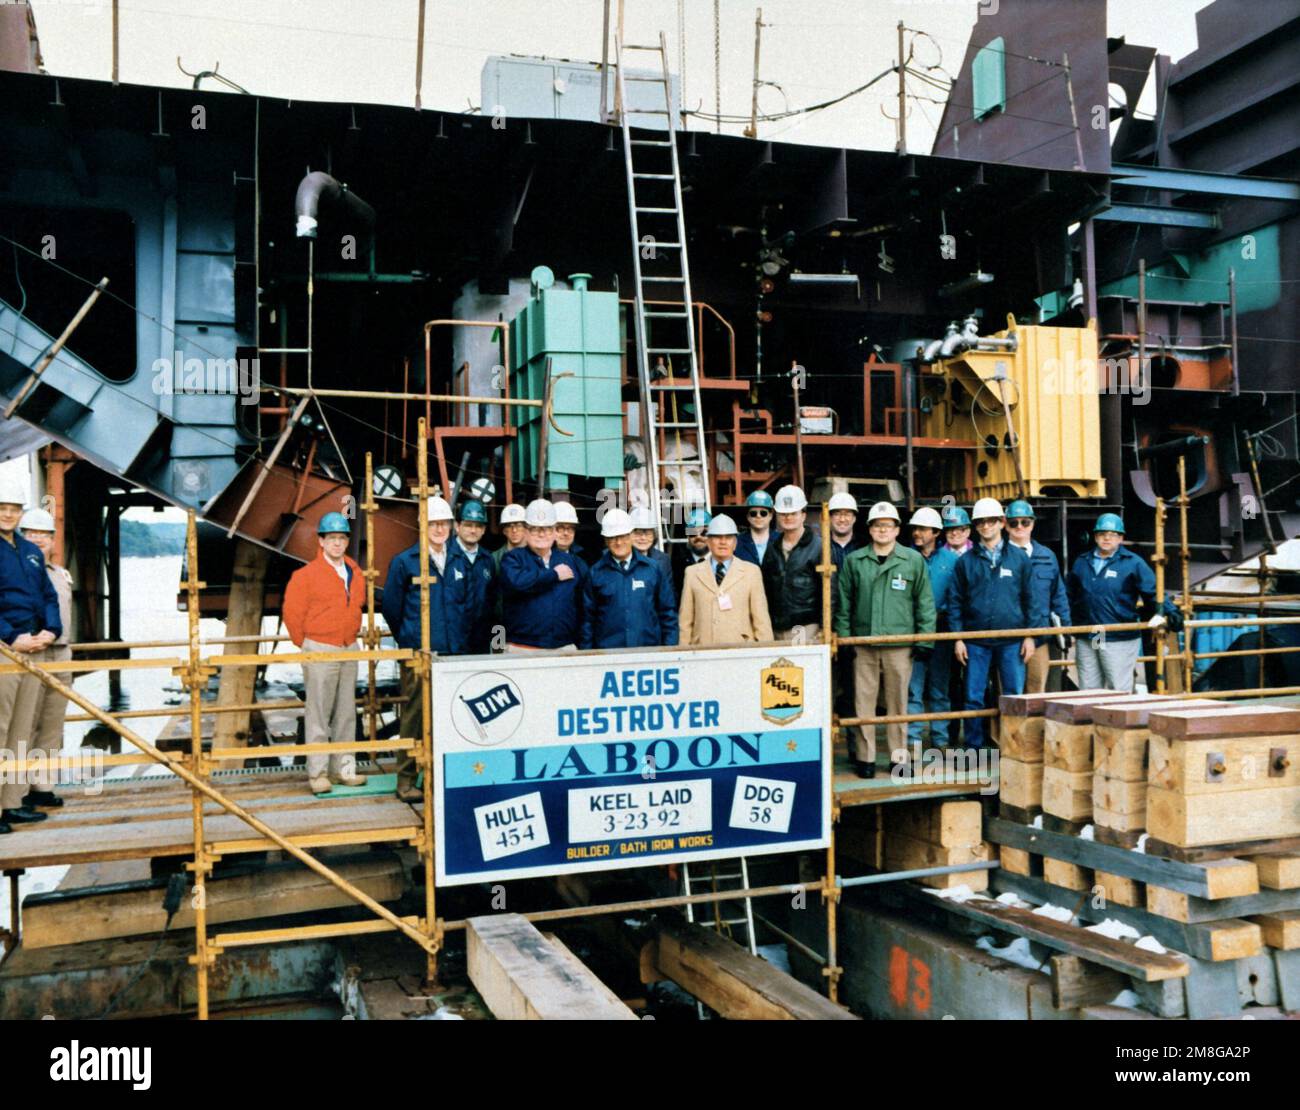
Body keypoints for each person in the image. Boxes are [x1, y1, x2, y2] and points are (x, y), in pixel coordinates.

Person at [834, 502, 935, 778]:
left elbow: (924, 603)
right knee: (863, 703)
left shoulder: (912, 561)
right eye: (877, 525)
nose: (882, 530)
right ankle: (866, 760)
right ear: (869, 529)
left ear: (897, 530)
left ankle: (898, 758)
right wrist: (845, 641)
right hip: (863, 645)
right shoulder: (855, 561)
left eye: (887, 526)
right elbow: (844, 605)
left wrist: (925, 641)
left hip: (899, 645)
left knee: (898, 704)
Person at [382, 496, 469, 801]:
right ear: (422, 525)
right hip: (420, 655)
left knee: (450, 718)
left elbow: (465, 607)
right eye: (433, 523)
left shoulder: (459, 560)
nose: (439, 529)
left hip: (452, 655)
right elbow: (391, 608)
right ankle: (406, 780)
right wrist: (410, 639)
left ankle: (443, 778)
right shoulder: (405, 562)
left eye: (443, 523)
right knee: (414, 718)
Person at [947, 498, 1044, 750]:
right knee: (973, 697)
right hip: (976, 641)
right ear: (976, 526)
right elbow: (955, 602)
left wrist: (1030, 636)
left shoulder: (1020, 560)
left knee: (1013, 695)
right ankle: (974, 748)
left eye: (991, 520)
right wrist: (958, 638)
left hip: (1012, 640)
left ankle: (1014, 748)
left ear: (1001, 522)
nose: (986, 526)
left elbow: (1031, 599)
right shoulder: (965, 562)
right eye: (981, 522)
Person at [284, 512, 368, 795]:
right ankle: (318, 773)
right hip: (320, 647)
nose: (337, 543)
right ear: (321, 542)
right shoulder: (305, 576)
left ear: (346, 541)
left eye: (341, 538)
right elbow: (292, 614)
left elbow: (357, 606)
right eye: (331, 538)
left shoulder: (355, 572)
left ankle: (343, 770)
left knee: (346, 713)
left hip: (349, 646)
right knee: (318, 713)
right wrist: (308, 644)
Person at [0, 477, 61, 832]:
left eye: (13, 509)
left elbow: (49, 597)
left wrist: (50, 631)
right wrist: (11, 637)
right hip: (6, 647)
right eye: (2, 509)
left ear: (20, 512)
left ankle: (11, 803)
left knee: (21, 730)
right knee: (0, 727)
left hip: (33, 647)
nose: (7, 514)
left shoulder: (30, 552)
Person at [1067, 513, 1177, 693]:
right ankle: (1093, 720)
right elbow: (1069, 594)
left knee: (1117, 687)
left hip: (1119, 636)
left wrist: (1170, 611)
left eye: (1112, 534)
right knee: (1089, 687)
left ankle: (1115, 720)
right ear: (1095, 537)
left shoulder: (1133, 563)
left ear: (1121, 538)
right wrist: (1066, 625)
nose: (1107, 538)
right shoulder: (1082, 562)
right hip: (1095, 633)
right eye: (1102, 534)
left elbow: (1153, 591)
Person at [17, 508, 73, 810]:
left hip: (61, 653)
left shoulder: (60, 575)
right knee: (23, 725)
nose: (39, 539)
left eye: (45, 535)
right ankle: (17, 792)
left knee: (52, 725)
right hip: (30, 653)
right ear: (20, 537)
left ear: (53, 540)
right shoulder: (15, 571)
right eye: (31, 534)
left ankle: (42, 786)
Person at [580, 509, 678, 649]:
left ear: (631, 536)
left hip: (648, 651)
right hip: (608, 654)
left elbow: (668, 613)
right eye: (613, 537)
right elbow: (587, 620)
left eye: (623, 536)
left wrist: (669, 650)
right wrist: (587, 657)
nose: (619, 542)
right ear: (606, 540)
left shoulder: (653, 569)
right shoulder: (595, 573)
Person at [499, 499, 585, 650]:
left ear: (554, 532)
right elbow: (518, 583)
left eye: (547, 529)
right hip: (522, 647)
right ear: (526, 532)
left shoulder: (569, 561)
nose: (541, 534)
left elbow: (582, 603)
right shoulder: (513, 558)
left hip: (563, 646)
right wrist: (553, 575)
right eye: (534, 529)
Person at [906, 506, 959, 749]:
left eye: (923, 529)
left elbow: (958, 597)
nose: (917, 533)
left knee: (940, 687)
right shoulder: (905, 558)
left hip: (942, 629)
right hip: (912, 630)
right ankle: (913, 739)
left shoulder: (952, 561)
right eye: (915, 528)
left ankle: (941, 740)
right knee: (913, 688)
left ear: (936, 532)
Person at [1005, 499, 1070, 694]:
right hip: (1006, 638)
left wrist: (1065, 629)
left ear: (1032, 524)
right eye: (1014, 522)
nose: (1019, 527)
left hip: (1039, 637)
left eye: (1025, 522)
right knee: (1008, 694)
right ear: (1005, 525)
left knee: (1036, 691)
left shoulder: (1047, 556)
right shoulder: (997, 556)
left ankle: (1034, 726)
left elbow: (1058, 594)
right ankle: (1010, 727)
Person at [679, 514, 773, 646]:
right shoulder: (692, 573)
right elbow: (685, 621)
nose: (723, 542)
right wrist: (683, 656)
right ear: (709, 541)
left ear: (735, 542)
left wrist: (765, 653)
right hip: (702, 651)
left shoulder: (751, 572)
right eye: (717, 537)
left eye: (728, 537)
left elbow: (761, 620)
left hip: (741, 650)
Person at [762, 485, 823, 643]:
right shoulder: (772, 548)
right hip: (776, 627)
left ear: (803, 515)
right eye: (783, 513)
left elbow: (831, 591)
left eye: (793, 513)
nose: (788, 517)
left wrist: (825, 628)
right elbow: (765, 589)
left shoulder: (819, 547)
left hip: (807, 627)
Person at [452, 499, 497, 654]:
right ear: (457, 526)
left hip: (480, 641)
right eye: (468, 525)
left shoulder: (487, 559)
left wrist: (496, 641)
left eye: (478, 526)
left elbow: (491, 600)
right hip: (452, 641)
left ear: (484, 530)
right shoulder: (446, 556)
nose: (473, 530)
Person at [492, 503, 527, 626]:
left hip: (527, 625)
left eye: (519, 525)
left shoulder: (536, 557)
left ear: (526, 528)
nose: (514, 530)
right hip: (499, 623)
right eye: (510, 526)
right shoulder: (493, 559)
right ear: (504, 530)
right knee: (498, 645)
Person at [629, 505, 674, 599]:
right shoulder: (621, 558)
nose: (643, 538)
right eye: (637, 533)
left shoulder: (663, 560)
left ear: (654, 535)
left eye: (648, 533)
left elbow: (669, 595)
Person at [672, 507, 712, 599]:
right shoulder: (678, 567)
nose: (698, 537)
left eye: (703, 532)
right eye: (692, 533)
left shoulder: (722, 562)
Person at [736, 490, 775, 566]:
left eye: (763, 513)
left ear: (771, 515)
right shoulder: (737, 542)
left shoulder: (781, 540)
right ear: (748, 516)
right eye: (753, 513)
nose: (758, 516)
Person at [826, 492, 861, 568]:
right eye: (837, 514)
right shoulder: (820, 545)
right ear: (830, 518)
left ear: (854, 518)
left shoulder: (864, 545)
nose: (842, 519)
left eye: (847, 514)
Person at [553, 500, 589, 566]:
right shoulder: (541, 558)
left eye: (570, 528)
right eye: (560, 528)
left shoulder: (583, 558)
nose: (566, 533)